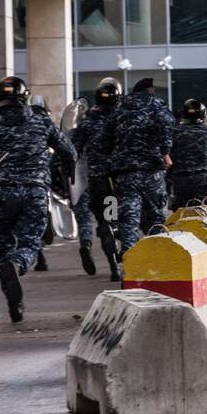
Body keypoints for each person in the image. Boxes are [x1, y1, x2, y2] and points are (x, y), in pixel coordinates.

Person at [0, 76, 65, 323]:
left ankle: (13, 302)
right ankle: (18, 264)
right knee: (30, 241)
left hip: (4, 194)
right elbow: (68, 150)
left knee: (3, 245)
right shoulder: (42, 122)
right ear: (25, 96)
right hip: (35, 192)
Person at [96, 77, 177, 258]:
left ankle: (129, 257)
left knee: (129, 218)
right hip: (152, 172)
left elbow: (102, 141)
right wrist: (166, 152)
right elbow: (167, 127)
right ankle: (159, 259)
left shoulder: (119, 110)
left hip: (125, 173)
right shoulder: (157, 106)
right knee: (156, 216)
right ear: (151, 91)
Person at [71, 78, 124, 281]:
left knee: (104, 221)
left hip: (98, 179)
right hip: (120, 177)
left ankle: (113, 267)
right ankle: (121, 249)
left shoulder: (87, 120)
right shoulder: (124, 118)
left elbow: (74, 149)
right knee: (124, 218)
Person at [27, 94, 77, 273]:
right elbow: (66, 151)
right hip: (40, 182)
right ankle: (26, 257)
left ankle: (35, 256)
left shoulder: (3, 123)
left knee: (19, 227)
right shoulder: (45, 123)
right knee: (38, 221)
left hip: (8, 185)